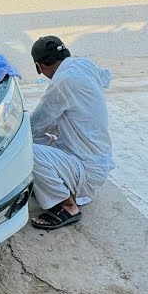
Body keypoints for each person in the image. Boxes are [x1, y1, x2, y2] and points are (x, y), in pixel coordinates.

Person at [28, 35, 114, 231]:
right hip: (97, 160)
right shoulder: (83, 64)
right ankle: (56, 184)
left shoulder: (63, 82)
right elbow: (105, 77)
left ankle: (68, 206)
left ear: (40, 66)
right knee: (43, 141)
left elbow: (36, 124)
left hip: (86, 169)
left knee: (26, 152)